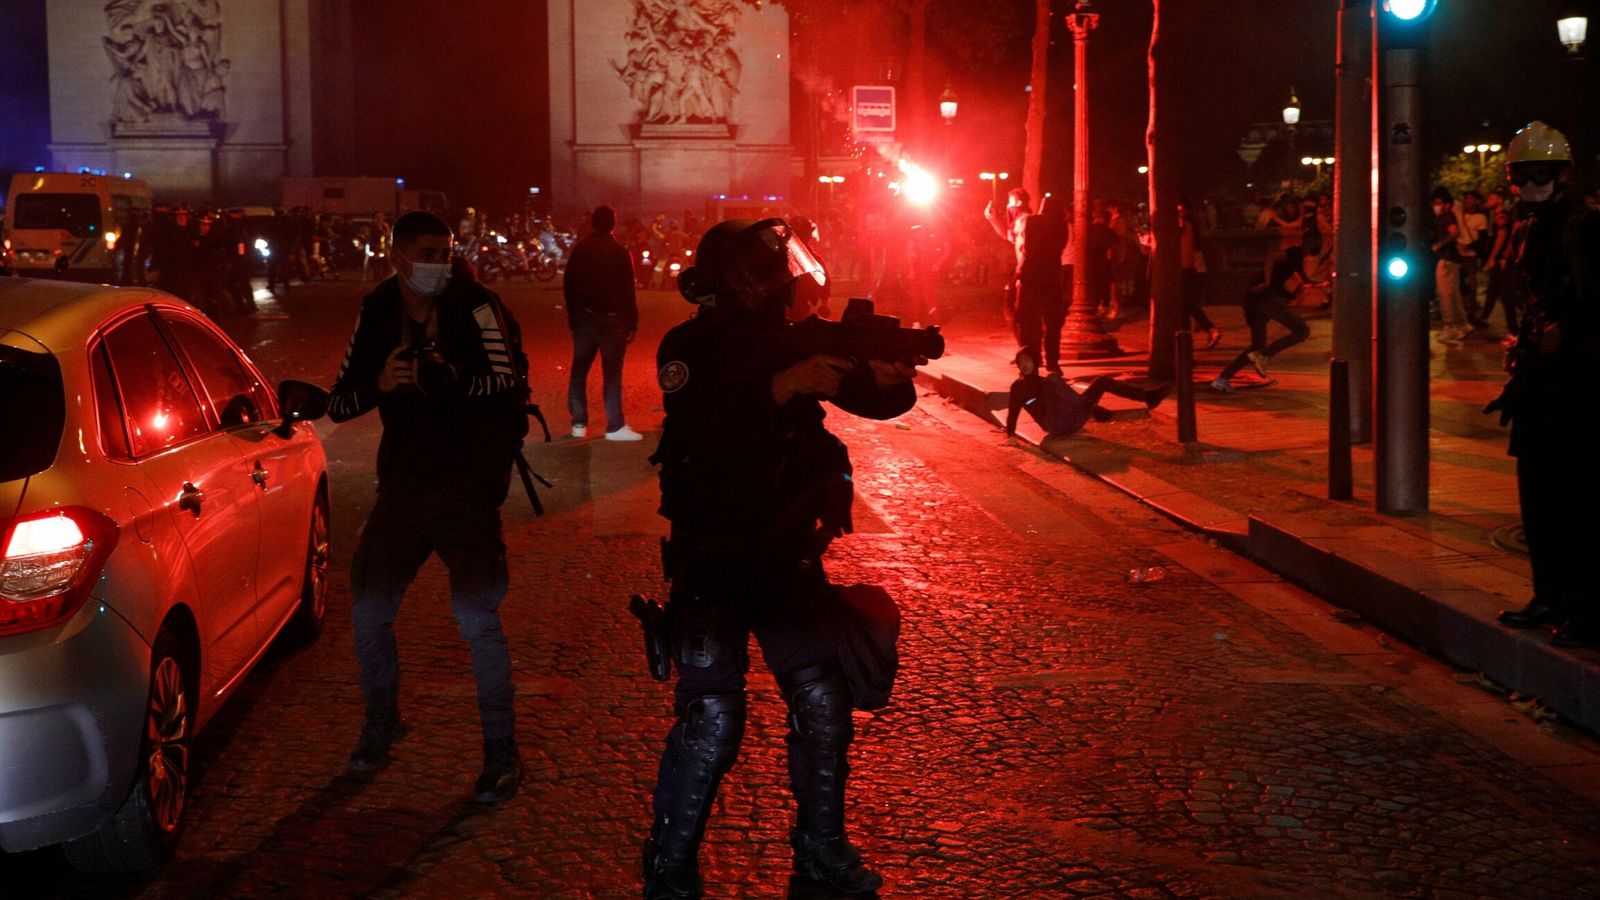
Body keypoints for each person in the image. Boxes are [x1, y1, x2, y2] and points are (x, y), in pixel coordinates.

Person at [643, 218, 921, 897]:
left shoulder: (792, 341)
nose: (791, 282)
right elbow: (699, 426)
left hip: (785, 555)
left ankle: (821, 852)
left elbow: (872, 395)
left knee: (824, 698)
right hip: (712, 556)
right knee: (712, 714)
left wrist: (887, 377)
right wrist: (781, 386)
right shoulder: (688, 346)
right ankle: (671, 868)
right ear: (747, 278)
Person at [328, 210, 528, 801]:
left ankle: (501, 753)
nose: (437, 263)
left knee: (477, 621)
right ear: (397, 255)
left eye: (445, 251)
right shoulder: (377, 308)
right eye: (425, 252)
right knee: (367, 607)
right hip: (403, 488)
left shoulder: (479, 304)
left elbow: (510, 381)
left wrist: (454, 381)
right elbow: (339, 404)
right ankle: (381, 722)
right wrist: (381, 387)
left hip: (467, 488)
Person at [1490, 122, 1600, 649]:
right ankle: (1550, 595)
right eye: (1522, 175)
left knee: (1578, 498)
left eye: (1542, 174)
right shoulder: (1526, 229)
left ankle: (1586, 609)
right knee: (1537, 496)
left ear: (1562, 174)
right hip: (1538, 383)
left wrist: (1570, 331)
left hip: (1580, 385)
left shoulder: (1587, 228)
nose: (1532, 184)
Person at [563, 204, 643, 441]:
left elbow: (569, 286)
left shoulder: (580, 250)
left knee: (579, 371)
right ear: (613, 224)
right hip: (612, 322)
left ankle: (578, 424)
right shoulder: (620, 251)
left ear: (593, 223)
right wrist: (632, 323)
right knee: (612, 375)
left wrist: (574, 317)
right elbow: (628, 290)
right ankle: (614, 426)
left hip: (584, 320)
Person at [1212, 240, 1321, 392]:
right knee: (1301, 330)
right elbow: (1271, 257)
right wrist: (1268, 283)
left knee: (1256, 346)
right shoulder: (1295, 253)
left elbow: (1305, 281)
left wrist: (1321, 283)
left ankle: (1222, 379)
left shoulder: (1297, 260)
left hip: (1255, 299)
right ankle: (1264, 355)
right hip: (1264, 298)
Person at [1005, 350, 1168, 439]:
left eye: (1028, 360)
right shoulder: (1019, 386)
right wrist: (1010, 435)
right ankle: (1094, 409)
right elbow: (1013, 413)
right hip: (1056, 425)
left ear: (1035, 362)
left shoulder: (1043, 381)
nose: (1024, 364)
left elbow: (1065, 398)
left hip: (1072, 418)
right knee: (1053, 377)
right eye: (1021, 362)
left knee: (1102, 381)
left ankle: (1148, 397)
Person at [1177, 199, 1221, 348]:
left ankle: (1186, 340)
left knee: (1185, 306)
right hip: (1194, 267)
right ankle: (1209, 330)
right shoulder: (1193, 223)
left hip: (1186, 268)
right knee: (1189, 304)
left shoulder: (1184, 223)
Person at [1430, 186, 1471, 342]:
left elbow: (1455, 233)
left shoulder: (1446, 216)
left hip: (1446, 260)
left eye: (1438, 202)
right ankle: (1463, 325)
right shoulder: (1447, 216)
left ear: (1447, 204)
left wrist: (1439, 244)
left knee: (1444, 294)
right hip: (1452, 259)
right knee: (1454, 294)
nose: (1436, 205)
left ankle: (1450, 327)